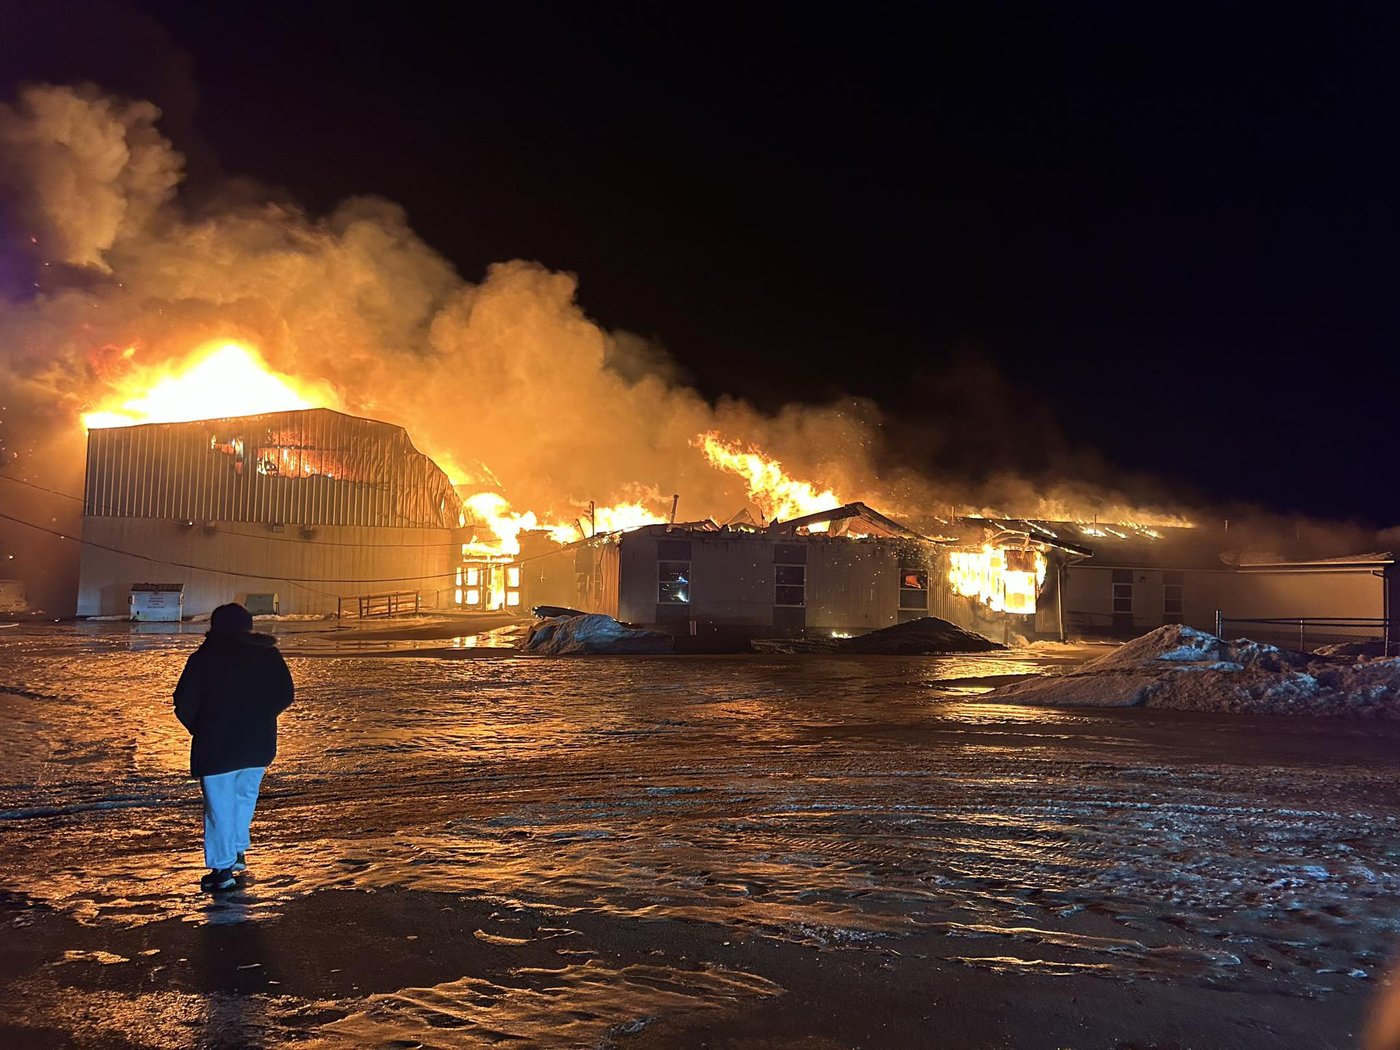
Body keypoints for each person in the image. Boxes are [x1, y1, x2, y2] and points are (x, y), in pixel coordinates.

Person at [174, 602, 295, 893]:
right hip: (258, 744)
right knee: (243, 798)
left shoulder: (204, 658)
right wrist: (260, 718)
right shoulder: (268, 654)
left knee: (219, 807)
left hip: (217, 747)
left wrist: (201, 728)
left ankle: (222, 869)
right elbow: (285, 695)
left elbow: (184, 703)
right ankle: (238, 851)